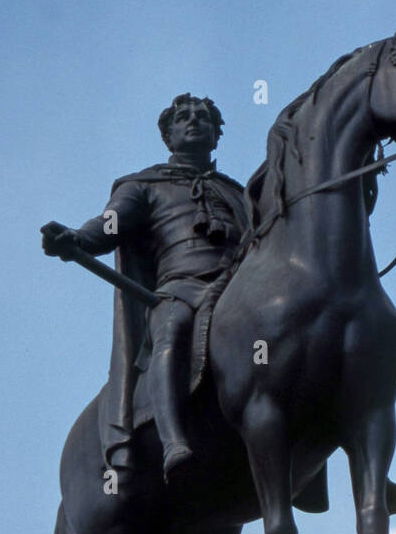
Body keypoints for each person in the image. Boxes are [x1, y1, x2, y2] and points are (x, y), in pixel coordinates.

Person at [42, 94, 247, 482]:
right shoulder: (144, 185)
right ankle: (174, 443)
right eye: (183, 117)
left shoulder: (238, 192)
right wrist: (77, 237)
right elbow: (110, 226)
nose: (194, 121)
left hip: (240, 284)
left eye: (203, 117)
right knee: (171, 329)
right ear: (168, 136)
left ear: (216, 136)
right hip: (181, 287)